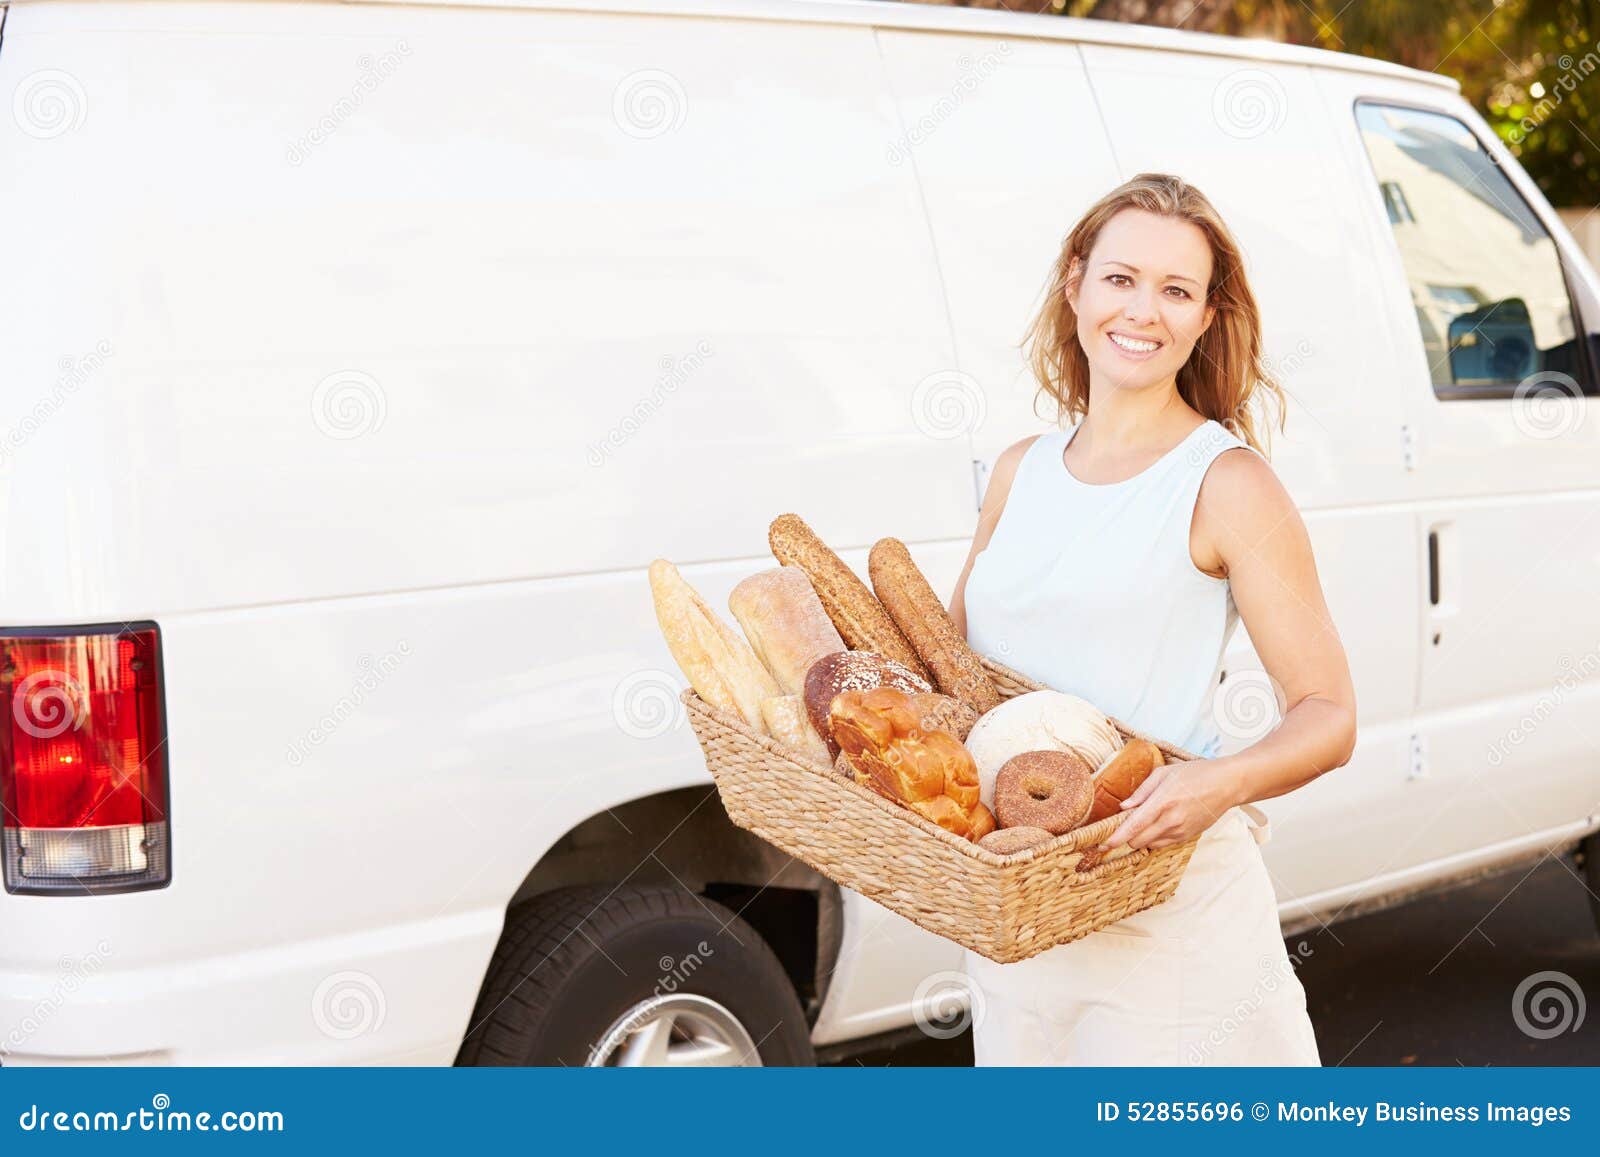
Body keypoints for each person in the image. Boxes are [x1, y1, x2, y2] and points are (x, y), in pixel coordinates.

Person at [950, 173, 1357, 1066]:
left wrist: (1217, 784)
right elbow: (952, 686)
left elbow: (1329, 714)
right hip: (1020, 923)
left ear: (1207, 317)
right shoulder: (1020, 471)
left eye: (1177, 290)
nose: (1144, 310)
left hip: (1166, 923)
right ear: (1076, 285)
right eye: (1121, 278)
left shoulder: (1229, 484)